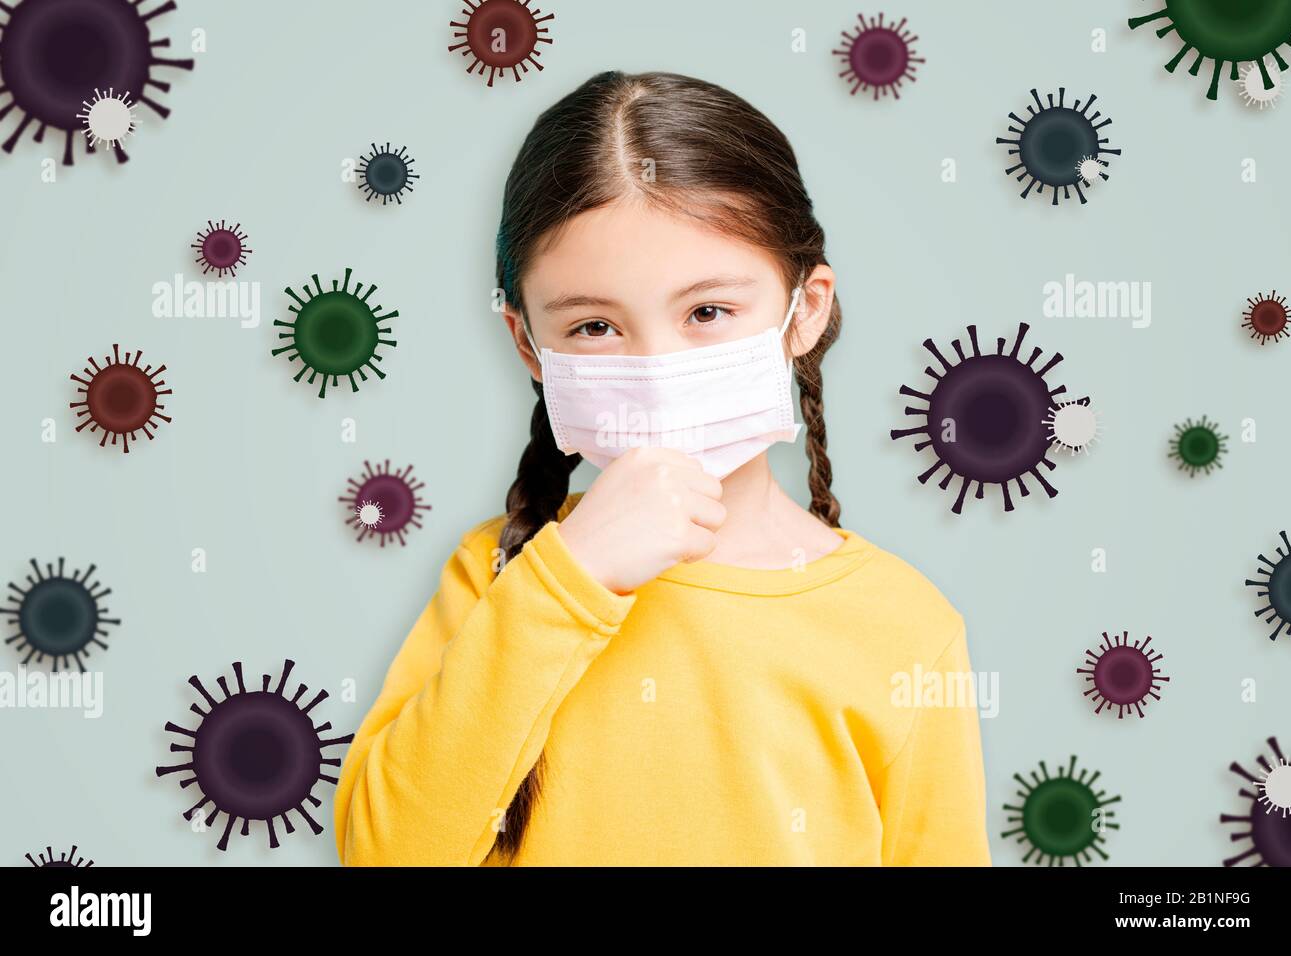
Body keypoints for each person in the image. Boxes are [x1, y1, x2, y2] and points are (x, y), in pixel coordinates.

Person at [333, 70, 990, 866]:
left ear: (805, 309)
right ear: (526, 343)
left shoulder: (905, 626)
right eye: (595, 325)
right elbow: (387, 853)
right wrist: (565, 582)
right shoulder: (500, 576)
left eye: (707, 313)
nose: (656, 366)